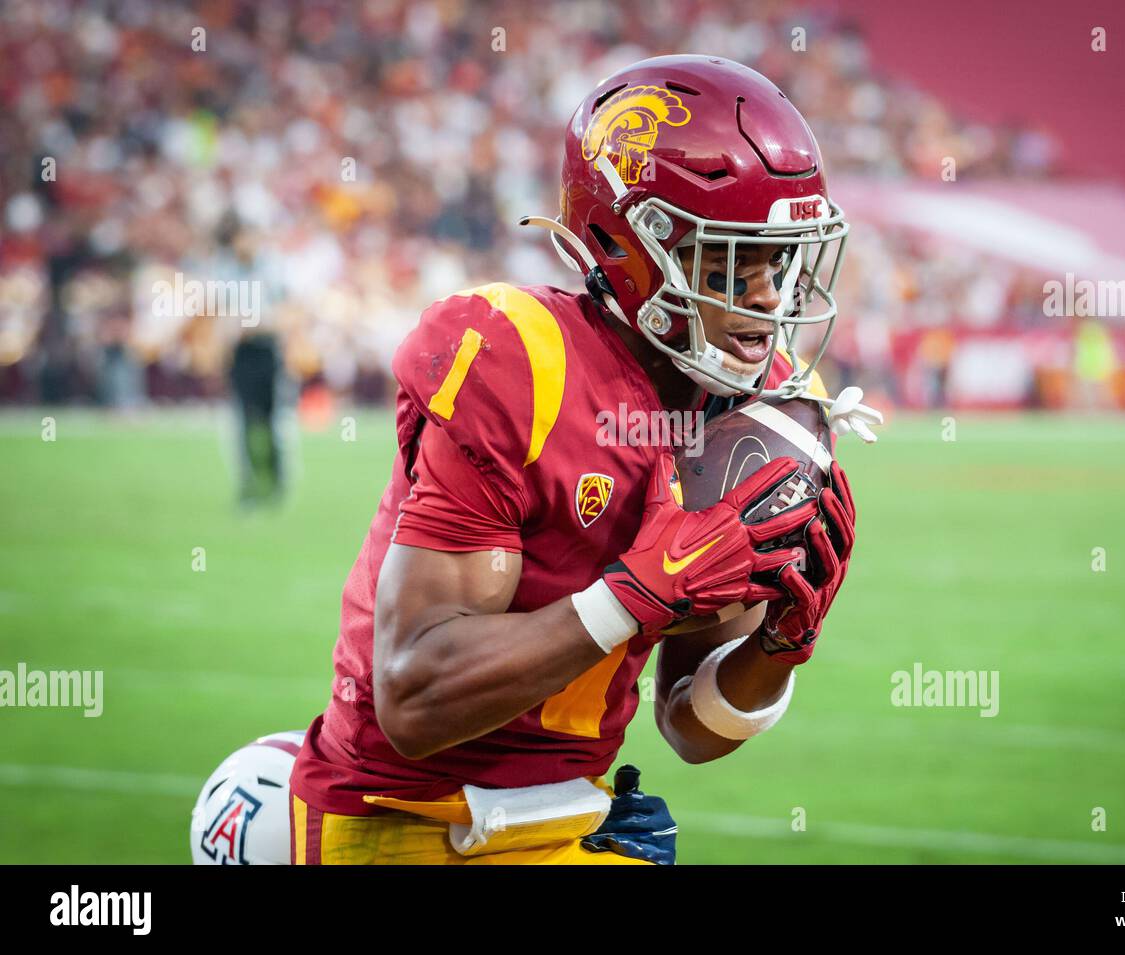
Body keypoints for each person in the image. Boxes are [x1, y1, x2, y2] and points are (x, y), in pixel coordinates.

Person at [289, 54, 859, 865]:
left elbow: (690, 725)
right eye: (731, 262)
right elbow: (414, 699)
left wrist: (781, 647)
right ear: (632, 244)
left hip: (574, 819)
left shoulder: (758, 408)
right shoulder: (521, 362)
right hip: (404, 816)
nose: (767, 297)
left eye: (781, 260)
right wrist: (637, 594)